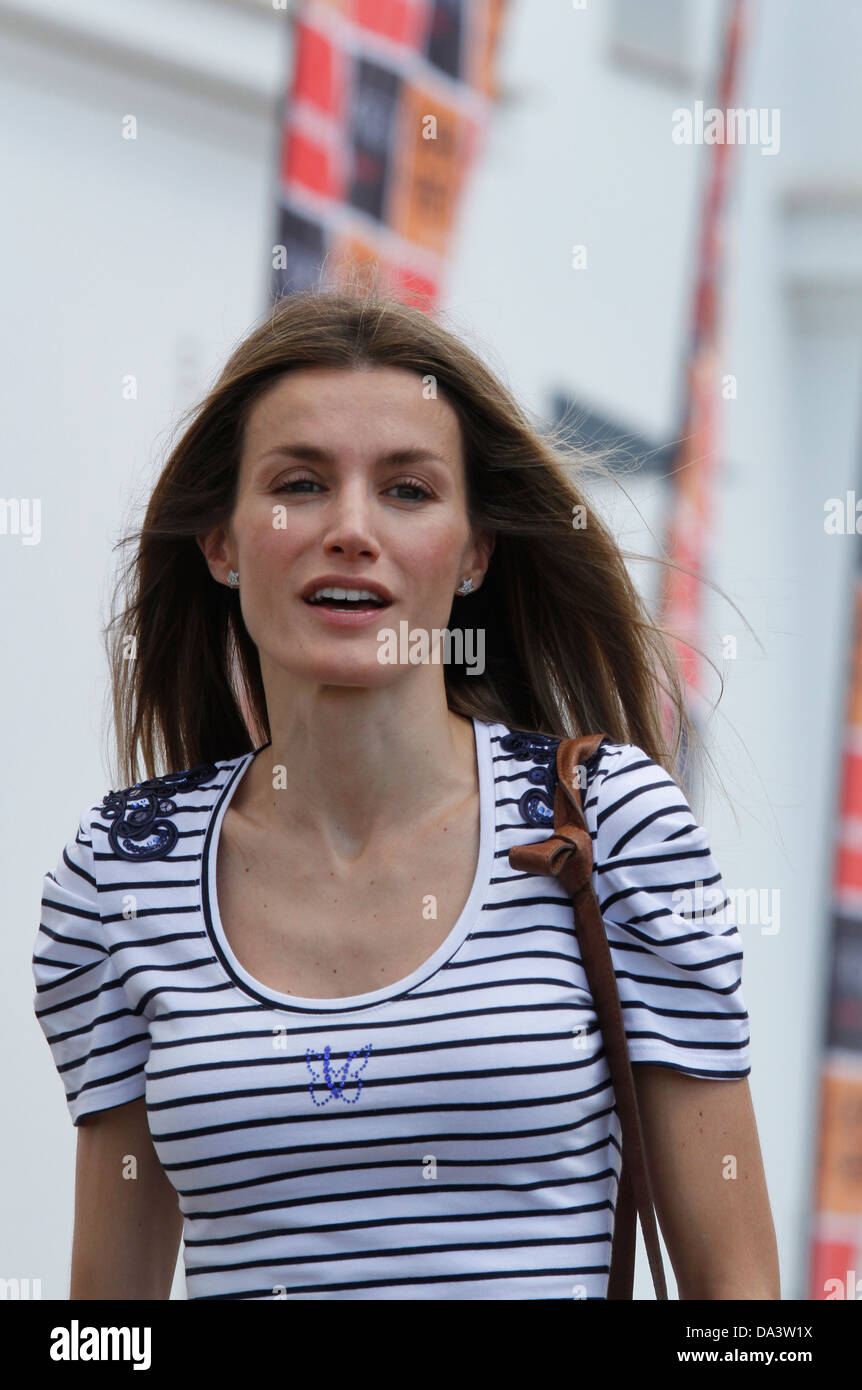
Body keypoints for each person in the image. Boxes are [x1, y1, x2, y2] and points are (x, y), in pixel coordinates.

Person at [32, 285, 779, 1300]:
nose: (350, 528)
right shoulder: (122, 873)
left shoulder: (612, 827)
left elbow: (738, 1294)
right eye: (298, 483)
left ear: (473, 552)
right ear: (221, 540)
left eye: (407, 490)